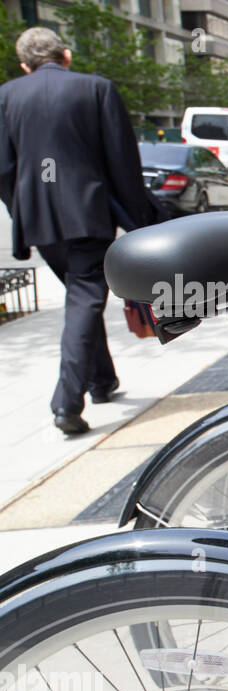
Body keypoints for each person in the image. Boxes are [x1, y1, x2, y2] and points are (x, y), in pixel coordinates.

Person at [0, 28, 163, 435]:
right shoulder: (97, 89)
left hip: (39, 219)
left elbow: (4, 170)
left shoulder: (6, 96)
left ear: (24, 64)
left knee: (82, 299)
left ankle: (101, 381)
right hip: (88, 212)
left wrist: (20, 209)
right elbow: (123, 161)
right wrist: (138, 219)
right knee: (84, 300)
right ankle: (67, 402)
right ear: (66, 55)